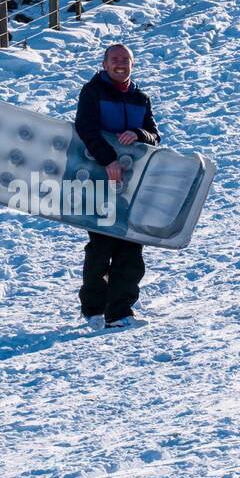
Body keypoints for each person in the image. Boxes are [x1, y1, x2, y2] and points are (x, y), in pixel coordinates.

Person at [74, 43, 161, 329]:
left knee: (131, 248)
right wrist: (108, 159)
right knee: (101, 245)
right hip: (97, 180)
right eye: (115, 59)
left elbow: (154, 137)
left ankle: (120, 311)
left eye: (125, 60)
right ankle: (94, 310)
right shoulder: (93, 92)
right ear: (105, 63)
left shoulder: (140, 98)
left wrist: (137, 133)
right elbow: (84, 129)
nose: (120, 64)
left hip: (130, 186)